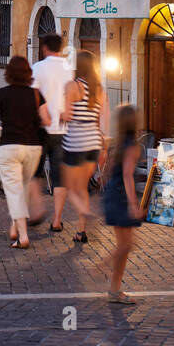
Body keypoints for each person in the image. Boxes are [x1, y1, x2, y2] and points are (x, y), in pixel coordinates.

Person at [0, 56, 52, 249]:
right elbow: (48, 120)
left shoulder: (2, 94)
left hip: (10, 147)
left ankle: (24, 236)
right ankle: (14, 227)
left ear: (9, 73)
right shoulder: (37, 95)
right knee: (23, 188)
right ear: (29, 73)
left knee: (13, 191)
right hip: (33, 147)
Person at [61, 49, 108, 245]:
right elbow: (103, 121)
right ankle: (81, 231)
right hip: (94, 143)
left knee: (71, 187)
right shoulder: (99, 89)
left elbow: (66, 115)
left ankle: (84, 210)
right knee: (82, 188)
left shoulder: (73, 86)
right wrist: (104, 148)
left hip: (75, 143)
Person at [31, 33, 72, 232]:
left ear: (45, 47)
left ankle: (37, 209)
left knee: (34, 172)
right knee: (59, 176)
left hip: (40, 127)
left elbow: (32, 97)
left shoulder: (37, 68)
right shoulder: (69, 69)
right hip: (63, 129)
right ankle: (57, 219)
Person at [103, 104, 144, 303]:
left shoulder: (117, 144)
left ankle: (114, 289)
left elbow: (108, 172)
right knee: (126, 244)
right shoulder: (133, 146)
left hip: (113, 192)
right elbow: (128, 175)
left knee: (126, 244)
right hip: (121, 195)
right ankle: (106, 274)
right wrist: (133, 204)